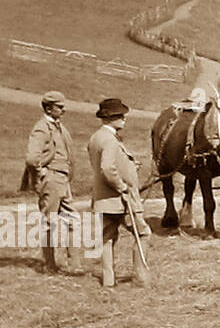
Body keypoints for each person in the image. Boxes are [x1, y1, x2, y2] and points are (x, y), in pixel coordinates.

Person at [87, 98, 149, 288]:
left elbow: (103, 165)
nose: (124, 120)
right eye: (120, 116)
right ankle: (141, 277)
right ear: (110, 118)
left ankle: (108, 280)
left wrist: (129, 165)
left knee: (107, 238)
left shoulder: (95, 137)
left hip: (103, 199)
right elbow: (107, 168)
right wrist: (121, 186)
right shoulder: (110, 139)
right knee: (144, 233)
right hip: (121, 200)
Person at [23, 90, 79, 273]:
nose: (64, 110)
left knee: (73, 219)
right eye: (60, 107)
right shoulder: (42, 128)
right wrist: (43, 174)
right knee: (50, 222)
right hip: (52, 179)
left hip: (62, 179)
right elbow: (32, 158)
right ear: (48, 108)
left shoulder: (58, 127)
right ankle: (49, 265)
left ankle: (75, 264)